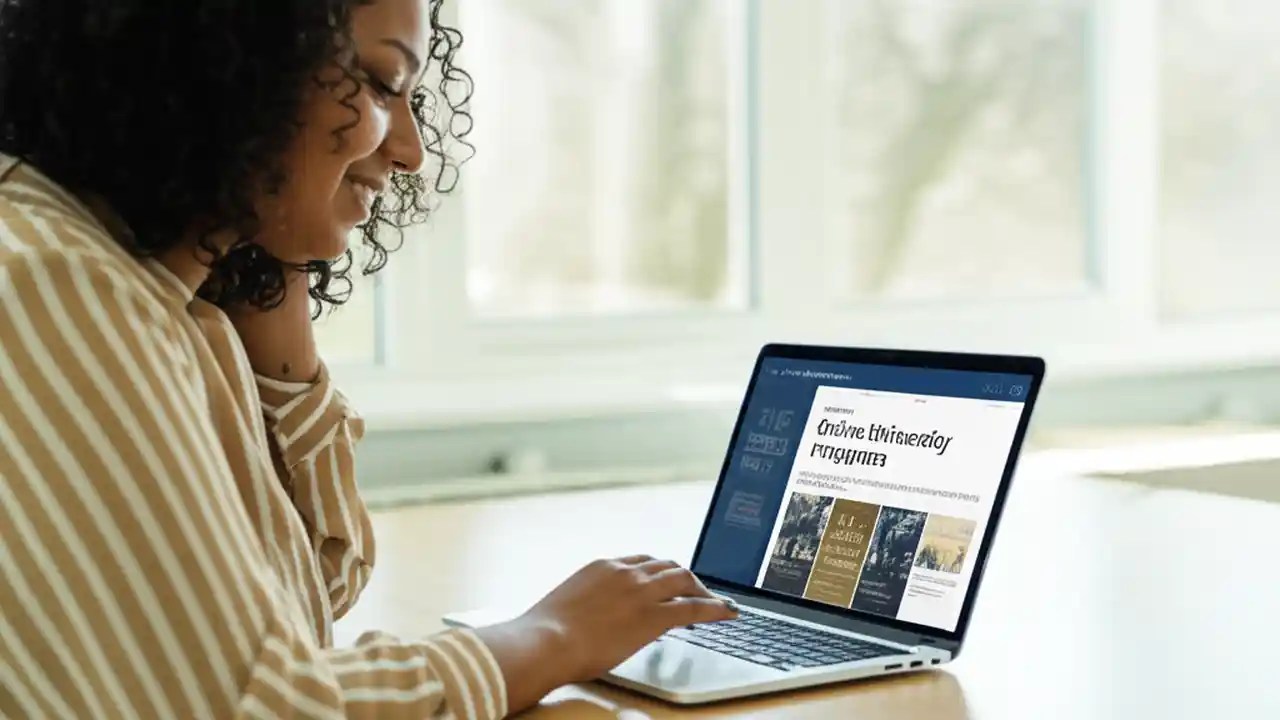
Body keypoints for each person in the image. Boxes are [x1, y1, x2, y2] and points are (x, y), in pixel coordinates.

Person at [0, 1, 737, 717]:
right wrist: (548, 637)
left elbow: (315, 586)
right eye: (384, 84)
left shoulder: (175, 309)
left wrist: (263, 258)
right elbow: (262, 705)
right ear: (231, 58)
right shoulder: (50, 282)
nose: (411, 150)